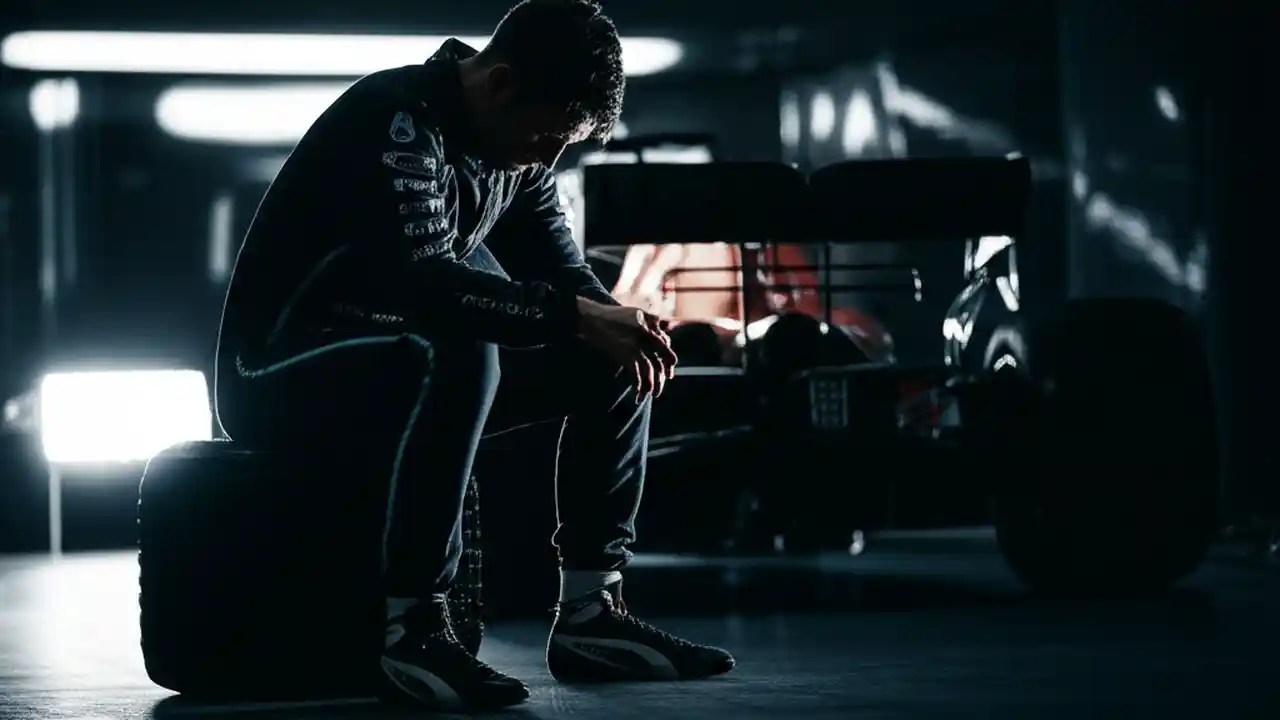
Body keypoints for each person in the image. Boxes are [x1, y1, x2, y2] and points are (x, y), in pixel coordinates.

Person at [212, 0, 735, 710]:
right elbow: (428, 287)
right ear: (500, 83)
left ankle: (590, 615)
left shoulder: (514, 154)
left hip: (400, 371)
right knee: (459, 346)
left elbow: (566, 280)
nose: (548, 158)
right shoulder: (396, 120)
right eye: (547, 135)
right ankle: (413, 628)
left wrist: (619, 324)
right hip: (273, 374)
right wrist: (575, 315)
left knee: (611, 355)